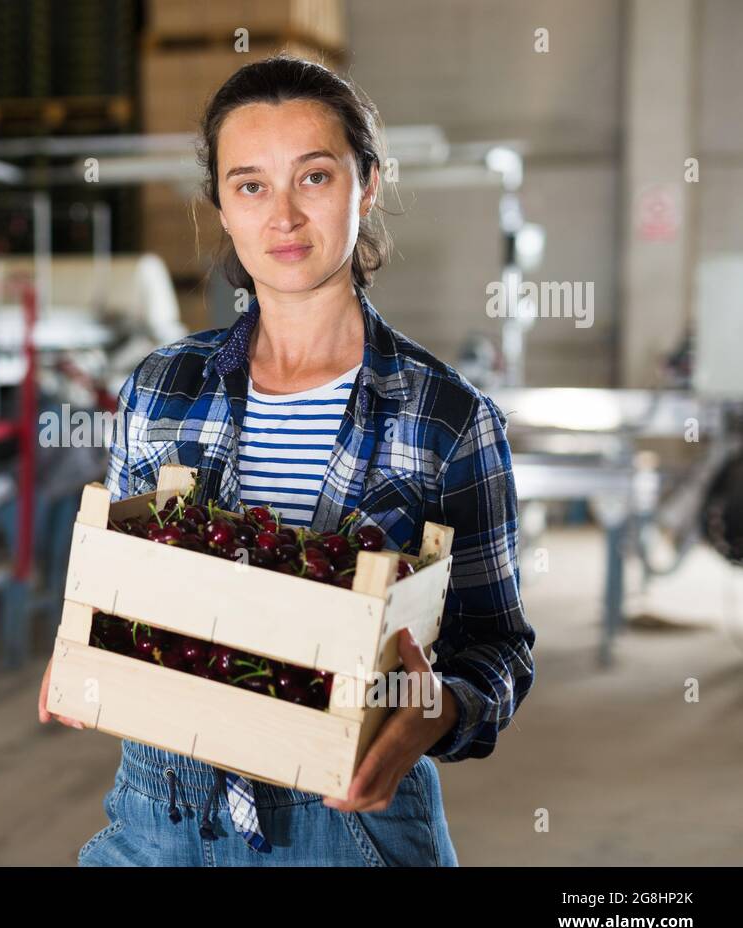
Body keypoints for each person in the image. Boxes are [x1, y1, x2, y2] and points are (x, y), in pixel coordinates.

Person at [38, 55, 537, 866]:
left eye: (314, 177)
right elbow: (124, 590)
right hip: (164, 814)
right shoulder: (161, 391)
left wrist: (435, 712)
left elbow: (499, 648)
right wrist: (90, 646)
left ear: (366, 184)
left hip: (348, 819)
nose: (284, 217)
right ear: (221, 209)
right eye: (250, 185)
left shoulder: (446, 418)